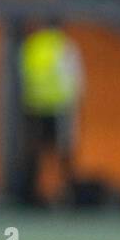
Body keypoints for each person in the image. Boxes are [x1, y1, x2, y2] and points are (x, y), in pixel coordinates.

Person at [15, 23, 84, 207]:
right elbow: (76, 76)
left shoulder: (30, 47)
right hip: (58, 106)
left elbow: (22, 77)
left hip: (36, 107)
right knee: (62, 152)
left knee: (37, 151)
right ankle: (67, 196)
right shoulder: (62, 46)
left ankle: (32, 195)